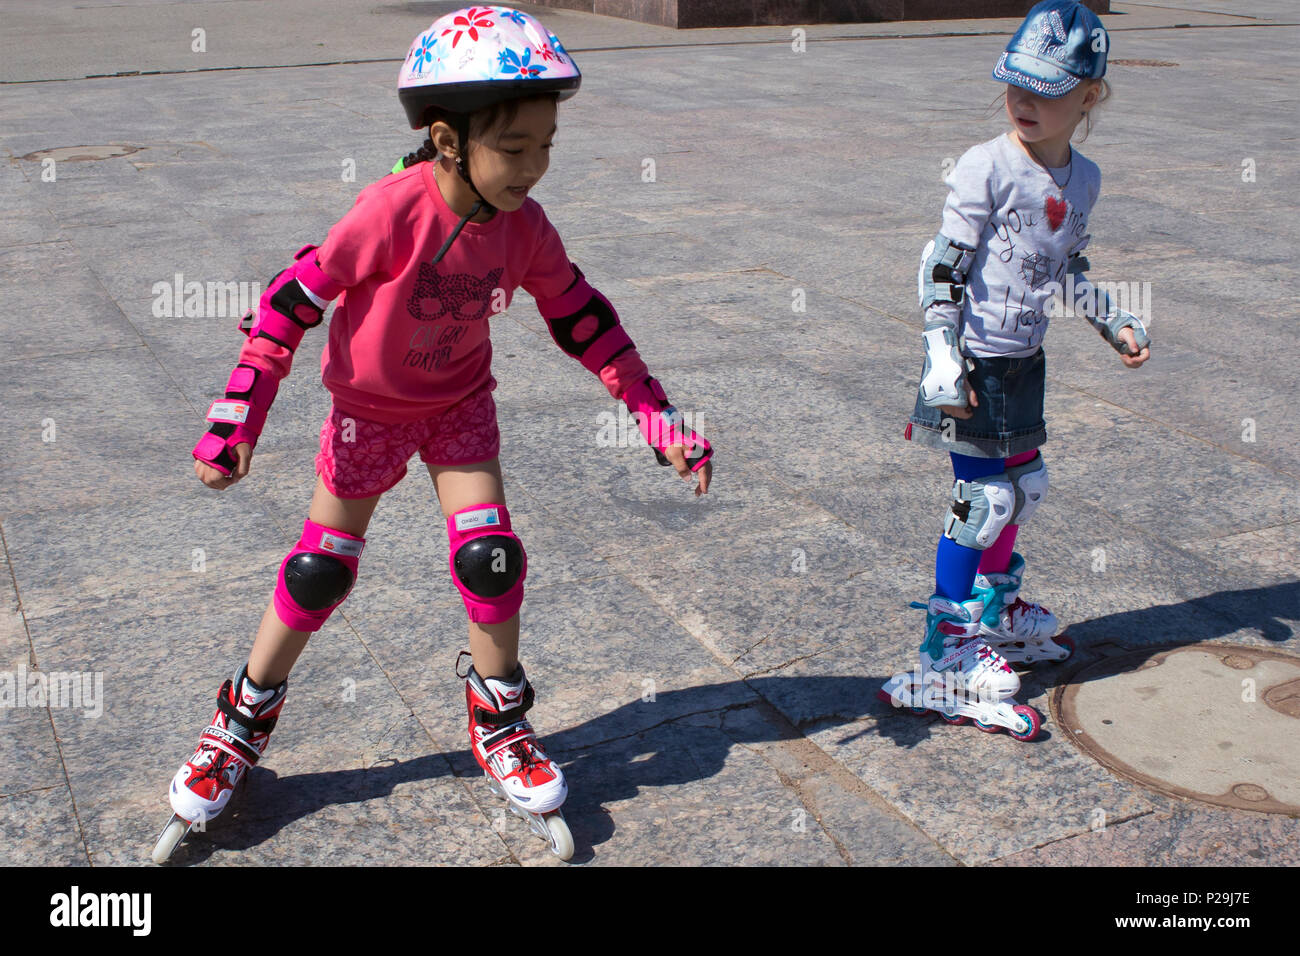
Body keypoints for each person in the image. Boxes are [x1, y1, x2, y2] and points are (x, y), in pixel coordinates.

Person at [156, 6, 712, 861]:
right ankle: (240, 721)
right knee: (318, 573)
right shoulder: (386, 211)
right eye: (515, 148)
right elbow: (288, 303)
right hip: (367, 411)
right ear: (449, 141)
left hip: (458, 403)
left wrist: (656, 415)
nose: (535, 167)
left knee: (491, 557)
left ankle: (500, 719)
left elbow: (583, 318)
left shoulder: (523, 229)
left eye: (547, 145)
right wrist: (237, 417)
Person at [880, 0, 1150, 739]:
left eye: (1049, 90)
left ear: (1089, 96)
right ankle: (948, 644)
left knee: (1024, 488)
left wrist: (1113, 320)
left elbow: (1070, 268)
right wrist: (941, 353)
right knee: (980, 502)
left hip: (1024, 361)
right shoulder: (986, 166)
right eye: (1016, 85)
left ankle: (996, 611)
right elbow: (943, 262)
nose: (1027, 102)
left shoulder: (1082, 179)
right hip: (970, 363)